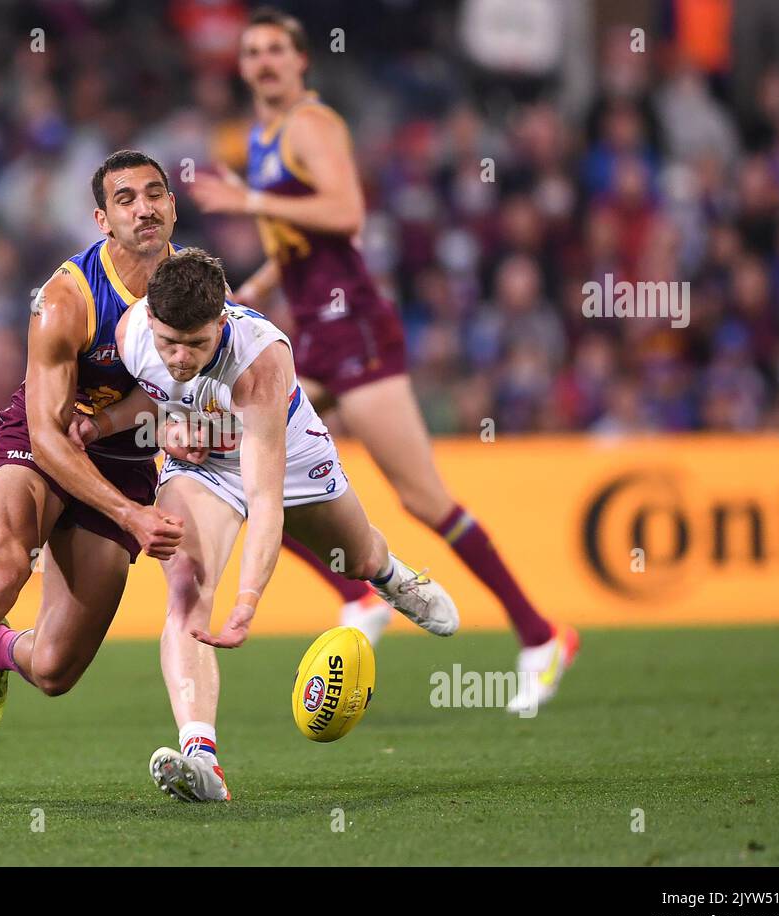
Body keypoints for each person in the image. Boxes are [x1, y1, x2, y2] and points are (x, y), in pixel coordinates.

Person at [190, 8, 578, 714]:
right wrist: (250, 290)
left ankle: (540, 633)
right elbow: (293, 239)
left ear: (302, 62)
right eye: (253, 52)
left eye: (278, 50)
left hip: (355, 327)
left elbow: (344, 212)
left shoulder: (313, 125)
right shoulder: (265, 134)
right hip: (313, 328)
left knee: (422, 497)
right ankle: (359, 596)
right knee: (245, 464)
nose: (265, 62)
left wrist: (246, 198)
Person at [72, 248, 457, 801]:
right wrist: (128, 426)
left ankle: (393, 577)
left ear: (222, 321)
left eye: (196, 345)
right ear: (150, 319)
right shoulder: (135, 332)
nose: (180, 357)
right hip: (202, 469)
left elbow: (265, 499)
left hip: (284, 457)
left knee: (358, 556)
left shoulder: (260, 362)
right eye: (169, 342)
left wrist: (248, 603)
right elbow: (154, 397)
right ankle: (201, 758)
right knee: (186, 594)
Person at [0, 150, 186, 811]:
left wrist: (108, 431)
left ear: (173, 207)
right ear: (102, 219)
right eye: (126, 198)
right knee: (2, 569)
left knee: (52, 670)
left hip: (124, 456)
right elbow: (48, 435)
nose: (145, 207)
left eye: (155, 193)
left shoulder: (190, 294)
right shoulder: (65, 298)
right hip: (41, 437)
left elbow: (178, 393)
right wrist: (132, 517)